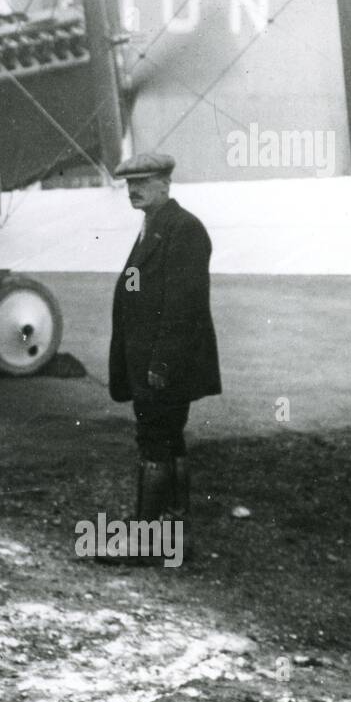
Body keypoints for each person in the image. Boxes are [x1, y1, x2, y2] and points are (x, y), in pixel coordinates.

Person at [108, 152, 221, 540]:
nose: (133, 190)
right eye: (129, 183)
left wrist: (162, 364)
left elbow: (182, 306)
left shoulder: (183, 229)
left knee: (155, 440)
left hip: (163, 363)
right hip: (150, 359)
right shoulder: (155, 225)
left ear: (165, 184)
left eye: (142, 182)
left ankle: (147, 538)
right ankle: (172, 524)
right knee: (167, 439)